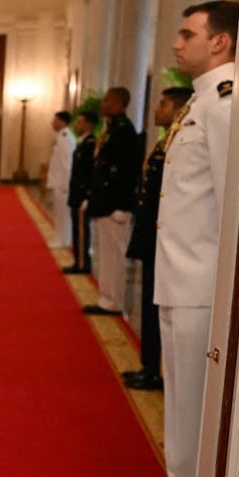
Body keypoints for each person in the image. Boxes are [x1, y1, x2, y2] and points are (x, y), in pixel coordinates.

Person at [131, 0, 238, 477]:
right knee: (178, 393)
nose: (177, 44)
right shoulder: (202, 102)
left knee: (194, 398)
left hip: (201, 280)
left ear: (219, 41)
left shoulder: (224, 102)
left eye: (187, 33)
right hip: (178, 273)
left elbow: (232, 201)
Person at [122, 86, 194, 391]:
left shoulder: (177, 143)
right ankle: (149, 366)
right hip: (153, 237)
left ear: (177, 109)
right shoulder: (166, 142)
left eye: (163, 104)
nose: (156, 109)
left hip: (163, 239)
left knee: (158, 307)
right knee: (151, 306)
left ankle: (155, 370)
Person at [83, 87, 143, 316]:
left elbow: (127, 173)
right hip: (104, 202)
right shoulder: (112, 128)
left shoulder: (124, 131)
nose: (102, 104)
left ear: (118, 104)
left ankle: (114, 301)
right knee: (105, 255)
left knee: (114, 257)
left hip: (114, 205)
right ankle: (106, 298)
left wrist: (121, 205)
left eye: (107, 100)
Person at [63, 111, 98, 274]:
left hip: (82, 195)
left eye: (80, 122)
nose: (77, 125)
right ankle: (78, 261)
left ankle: (82, 264)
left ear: (89, 125)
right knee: (77, 230)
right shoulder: (82, 143)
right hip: (77, 194)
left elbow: (90, 173)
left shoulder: (90, 144)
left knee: (82, 231)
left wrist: (87, 196)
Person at [46, 111, 77, 248]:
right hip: (58, 181)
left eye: (55, 120)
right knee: (59, 213)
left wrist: (66, 184)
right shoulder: (61, 136)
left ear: (62, 122)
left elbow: (67, 162)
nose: (53, 123)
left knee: (63, 214)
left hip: (62, 183)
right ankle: (61, 238)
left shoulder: (65, 137)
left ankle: (62, 239)